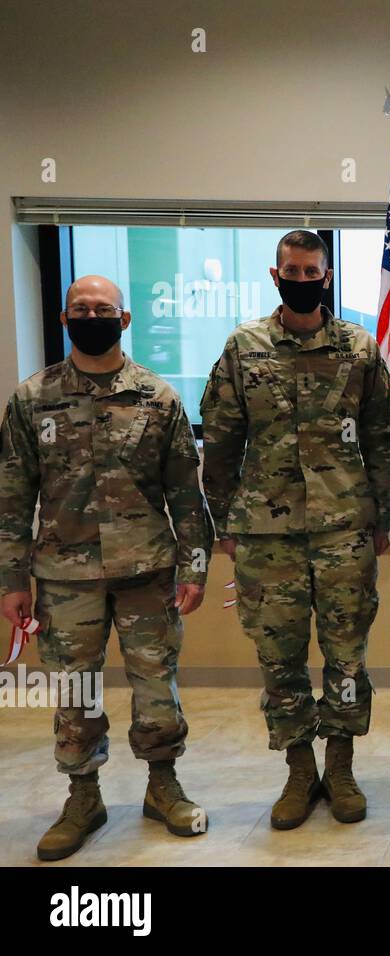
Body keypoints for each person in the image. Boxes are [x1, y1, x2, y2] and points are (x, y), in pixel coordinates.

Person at [0, 275, 212, 860]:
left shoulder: (157, 397)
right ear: (65, 320)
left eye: (103, 309)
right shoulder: (30, 399)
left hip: (147, 570)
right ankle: (83, 796)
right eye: (80, 309)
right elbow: (12, 497)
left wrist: (194, 568)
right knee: (76, 689)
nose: (91, 316)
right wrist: (11, 581)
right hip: (64, 576)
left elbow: (185, 496)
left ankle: (163, 787)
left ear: (124, 320)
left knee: (155, 684)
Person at [200, 230, 390, 829]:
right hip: (265, 535)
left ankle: (340, 766)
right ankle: (297, 769)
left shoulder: (359, 349)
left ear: (328, 276)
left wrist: (383, 519)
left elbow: (384, 440)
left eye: (313, 271)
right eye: (293, 270)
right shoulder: (245, 346)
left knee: (346, 656)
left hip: (345, 530)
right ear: (275, 273)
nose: (303, 279)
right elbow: (219, 441)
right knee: (279, 659)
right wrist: (224, 523)